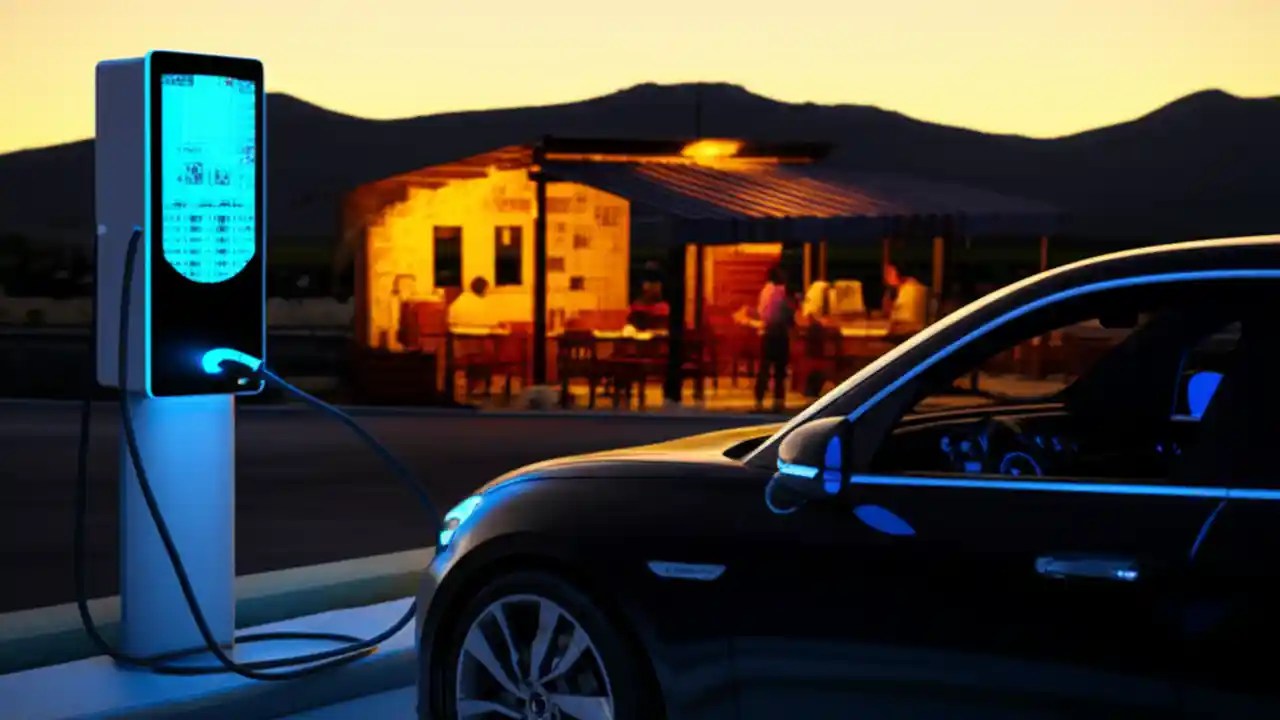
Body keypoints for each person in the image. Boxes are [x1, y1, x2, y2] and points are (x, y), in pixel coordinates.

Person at [755, 265, 795, 413]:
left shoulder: (765, 291)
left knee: (764, 368)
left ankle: (758, 398)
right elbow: (787, 312)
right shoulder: (780, 292)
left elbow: (762, 312)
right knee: (780, 369)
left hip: (766, 333)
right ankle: (778, 401)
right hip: (779, 333)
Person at [881, 263, 928, 332]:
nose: (886, 277)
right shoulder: (896, 290)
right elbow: (887, 312)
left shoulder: (911, 289)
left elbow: (907, 318)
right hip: (903, 328)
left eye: (890, 273)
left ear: (899, 273)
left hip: (911, 331)